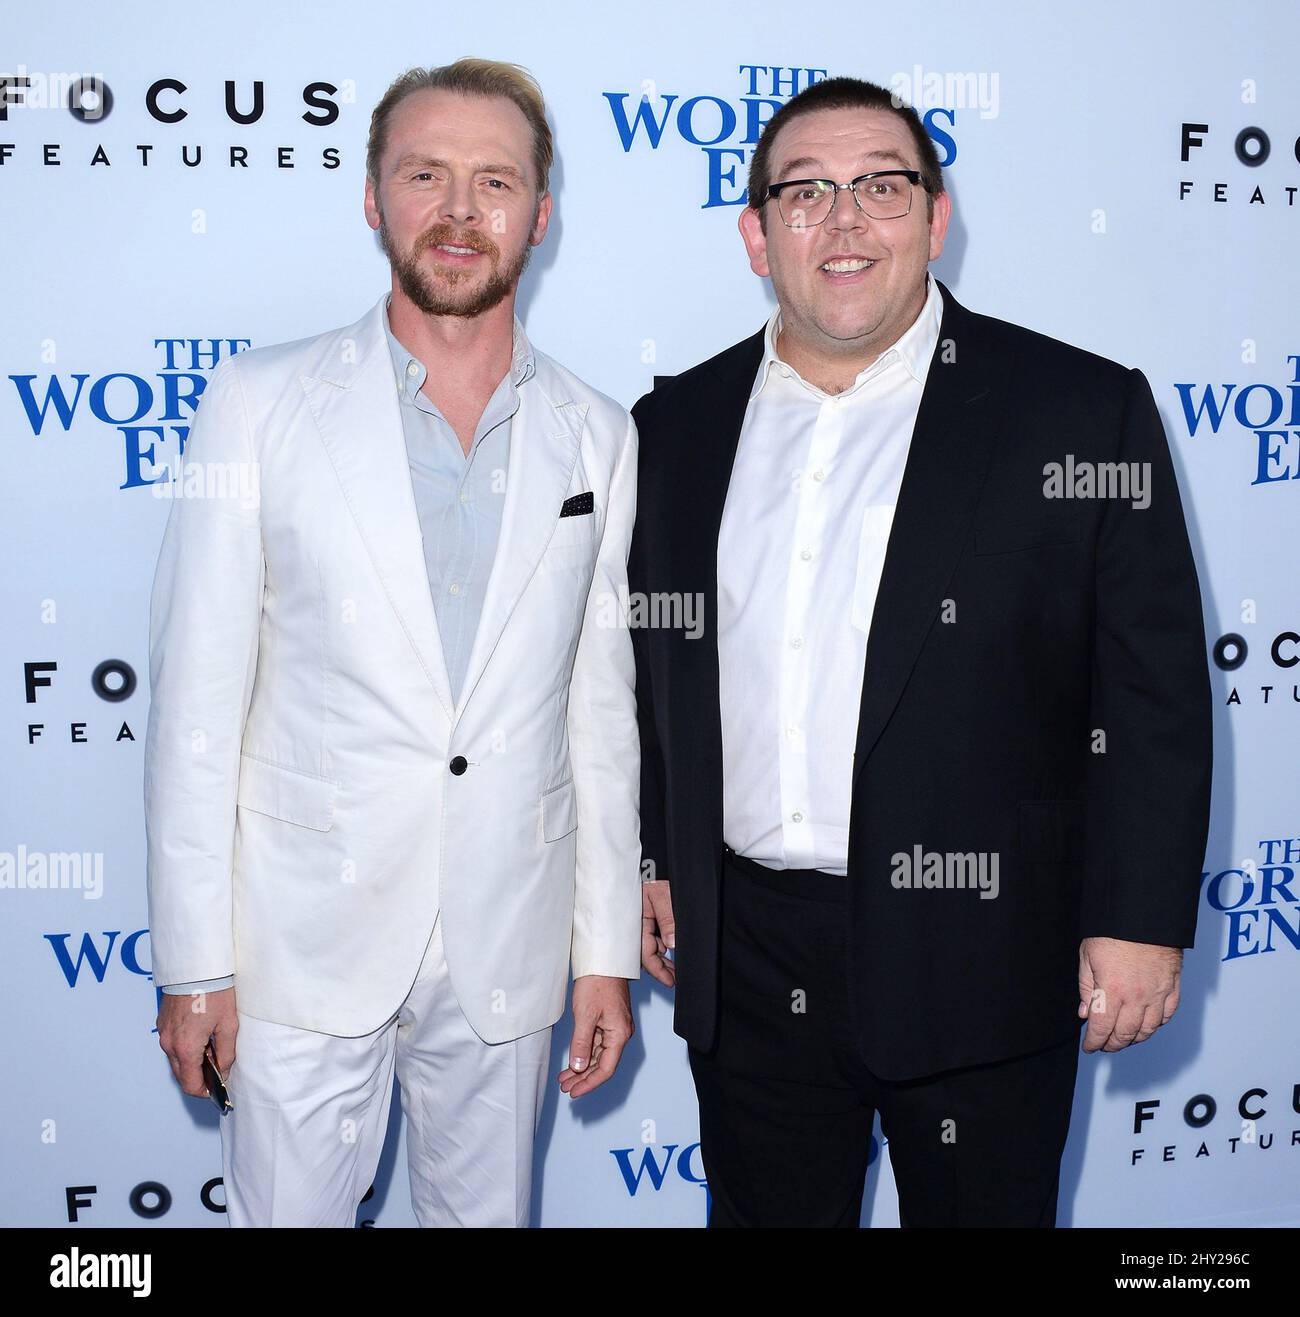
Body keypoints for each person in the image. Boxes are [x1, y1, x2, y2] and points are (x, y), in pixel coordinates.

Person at [631, 74, 1212, 1227]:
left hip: (987, 948)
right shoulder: (673, 427)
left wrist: (1140, 917)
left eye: (881, 187)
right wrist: (658, 852)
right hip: (745, 962)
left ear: (935, 219)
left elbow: (1150, 693)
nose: (843, 221)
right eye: (804, 194)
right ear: (756, 234)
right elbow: (656, 675)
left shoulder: (1077, 411)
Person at [145, 58, 641, 1228]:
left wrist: (602, 949)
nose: (460, 212)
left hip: (508, 938)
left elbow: (601, 714)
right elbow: (196, 710)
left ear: (540, 213)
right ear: (374, 199)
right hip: (295, 947)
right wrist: (192, 965)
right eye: (426, 176)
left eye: (494, 181)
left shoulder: (601, 435)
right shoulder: (259, 406)